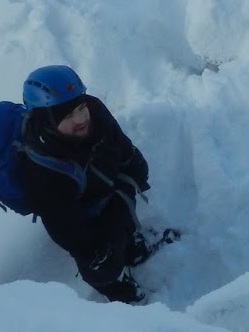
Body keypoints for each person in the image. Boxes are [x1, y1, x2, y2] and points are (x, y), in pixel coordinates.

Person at [16, 65, 157, 304]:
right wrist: (90, 250)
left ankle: (131, 250)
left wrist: (136, 167)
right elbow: (63, 226)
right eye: (68, 116)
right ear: (46, 120)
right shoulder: (44, 168)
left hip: (109, 189)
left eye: (81, 108)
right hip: (85, 217)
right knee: (103, 263)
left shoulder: (95, 111)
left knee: (123, 218)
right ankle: (117, 289)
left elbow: (119, 142)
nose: (81, 119)